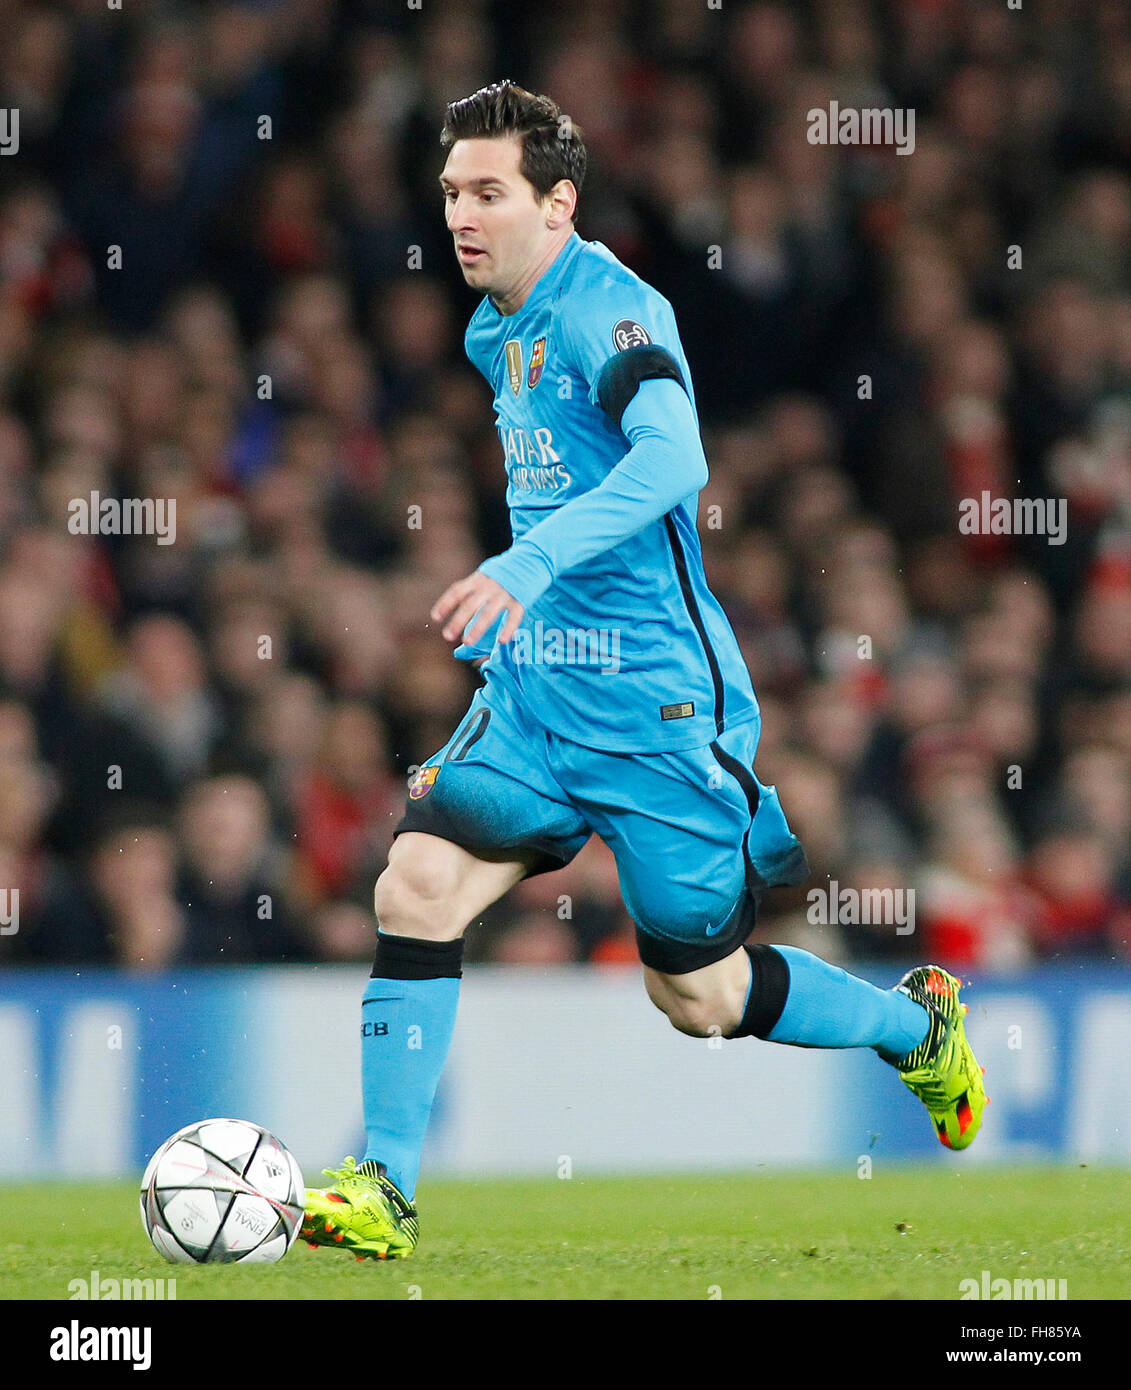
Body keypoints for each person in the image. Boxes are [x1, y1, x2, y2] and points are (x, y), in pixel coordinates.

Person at [302, 82, 985, 1261]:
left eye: (489, 194)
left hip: (659, 706)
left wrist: (527, 563)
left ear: (557, 204)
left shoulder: (610, 308)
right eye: (452, 192)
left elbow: (676, 458)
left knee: (699, 999)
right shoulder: (491, 325)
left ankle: (909, 1027)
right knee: (414, 885)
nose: (460, 216)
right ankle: (386, 1188)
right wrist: (527, 600)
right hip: (535, 696)